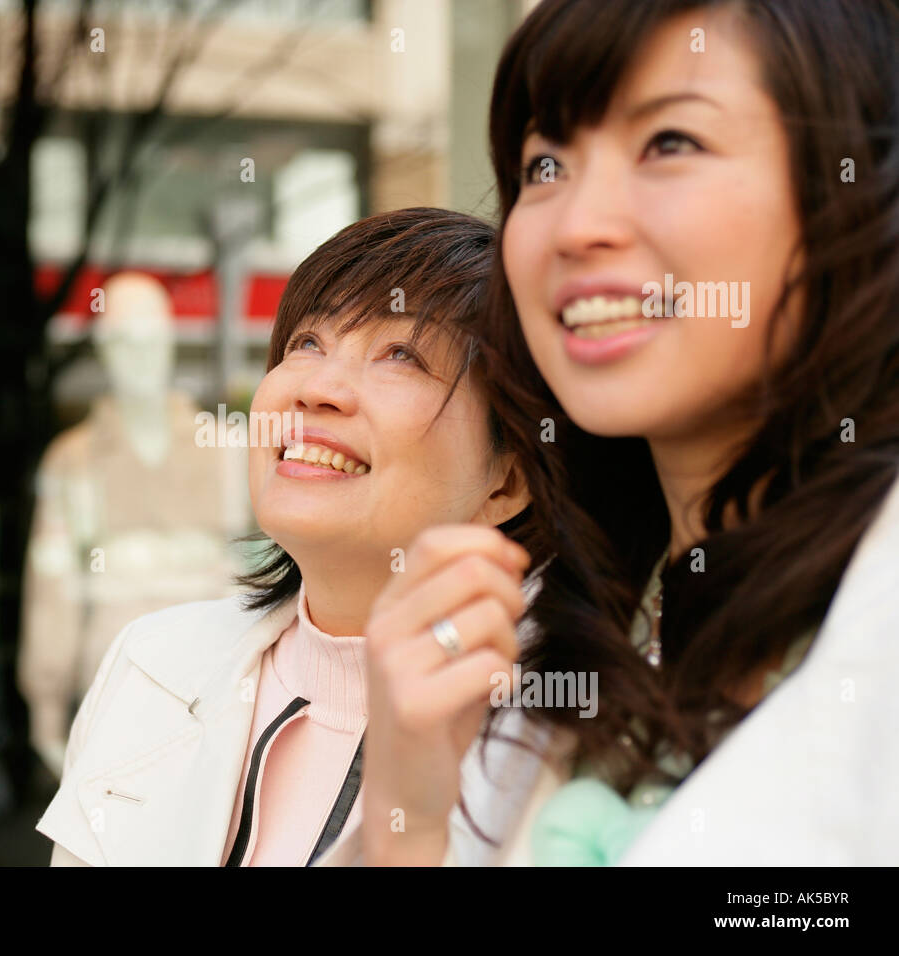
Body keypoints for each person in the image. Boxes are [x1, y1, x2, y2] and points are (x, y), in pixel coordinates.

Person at [361, 0, 899, 865]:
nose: (577, 226)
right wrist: (406, 817)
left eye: (671, 143)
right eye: (545, 166)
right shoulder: (553, 633)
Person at [36, 208, 542, 866]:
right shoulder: (149, 667)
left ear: (506, 482)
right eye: (307, 342)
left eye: (402, 355)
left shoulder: (573, 742)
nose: (318, 389)